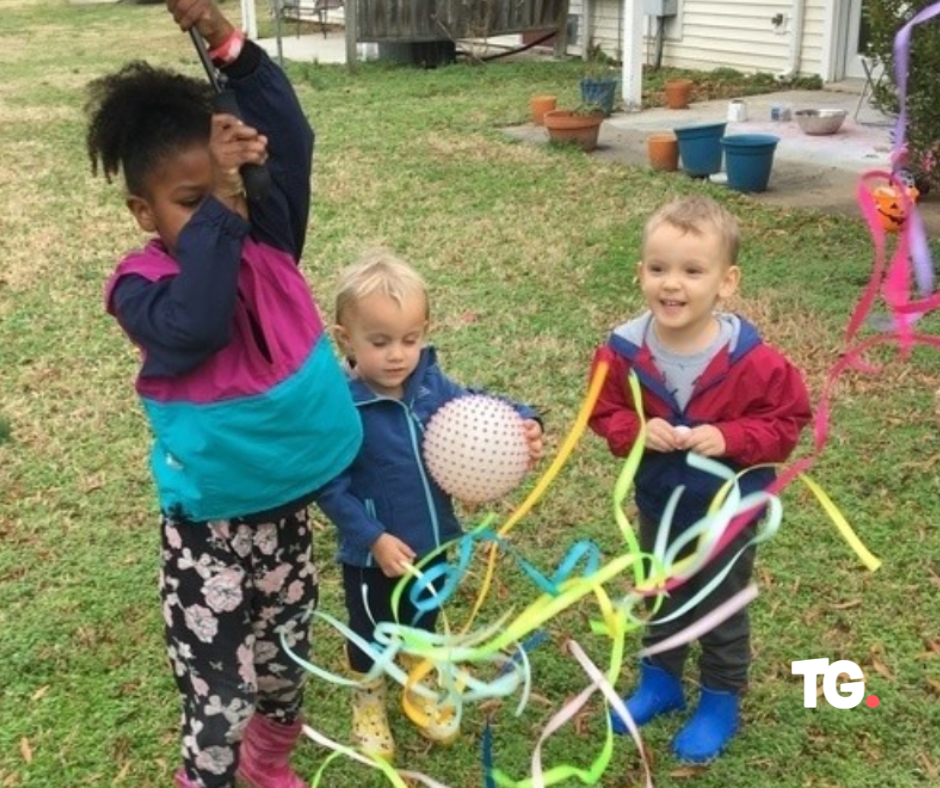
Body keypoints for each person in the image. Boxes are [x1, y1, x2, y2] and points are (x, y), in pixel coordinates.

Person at [85, 1, 362, 785]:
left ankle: (267, 768)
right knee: (220, 699)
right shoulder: (143, 290)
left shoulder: (265, 237)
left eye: (224, 188)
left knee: (282, 675)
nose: (215, 208)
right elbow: (200, 324)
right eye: (187, 199)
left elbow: (290, 138)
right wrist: (219, 201)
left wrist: (221, 38)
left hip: (286, 523)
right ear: (145, 211)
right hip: (207, 535)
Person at [587, 196, 811, 763]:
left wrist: (730, 439)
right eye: (658, 268)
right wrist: (638, 429)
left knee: (720, 602)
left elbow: (787, 421)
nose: (672, 285)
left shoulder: (753, 361)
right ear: (640, 272)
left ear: (725, 282)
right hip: (659, 501)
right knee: (661, 589)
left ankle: (719, 697)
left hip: (727, 509)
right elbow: (601, 411)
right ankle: (660, 679)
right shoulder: (623, 352)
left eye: (692, 271)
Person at [314, 251, 544, 762]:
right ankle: (368, 699)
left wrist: (526, 420)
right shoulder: (340, 406)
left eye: (409, 339)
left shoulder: (431, 386)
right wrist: (370, 537)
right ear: (345, 339)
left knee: (423, 622)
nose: (397, 355)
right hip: (372, 554)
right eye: (380, 342)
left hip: (434, 542)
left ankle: (417, 683)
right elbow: (328, 487)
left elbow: (481, 406)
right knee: (370, 629)